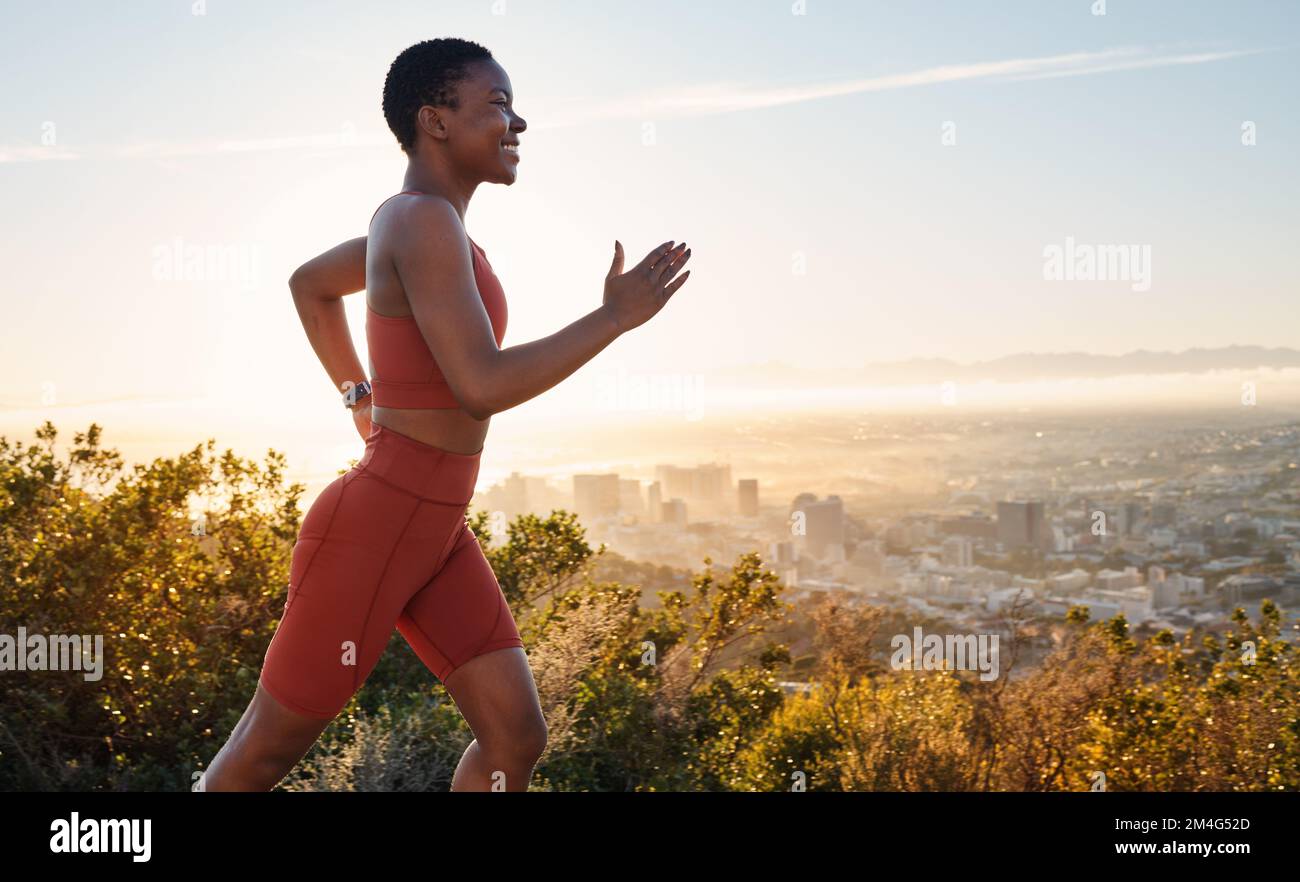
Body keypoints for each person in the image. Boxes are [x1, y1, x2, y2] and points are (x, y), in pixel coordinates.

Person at [200, 37, 692, 791]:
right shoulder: (421, 220)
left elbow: (310, 284)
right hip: (376, 524)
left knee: (514, 737)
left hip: (435, 529)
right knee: (261, 755)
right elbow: (480, 385)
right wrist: (613, 319)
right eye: (497, 104)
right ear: (434, 120)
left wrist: (360, 399)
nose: (517, 122)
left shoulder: (426, 227)